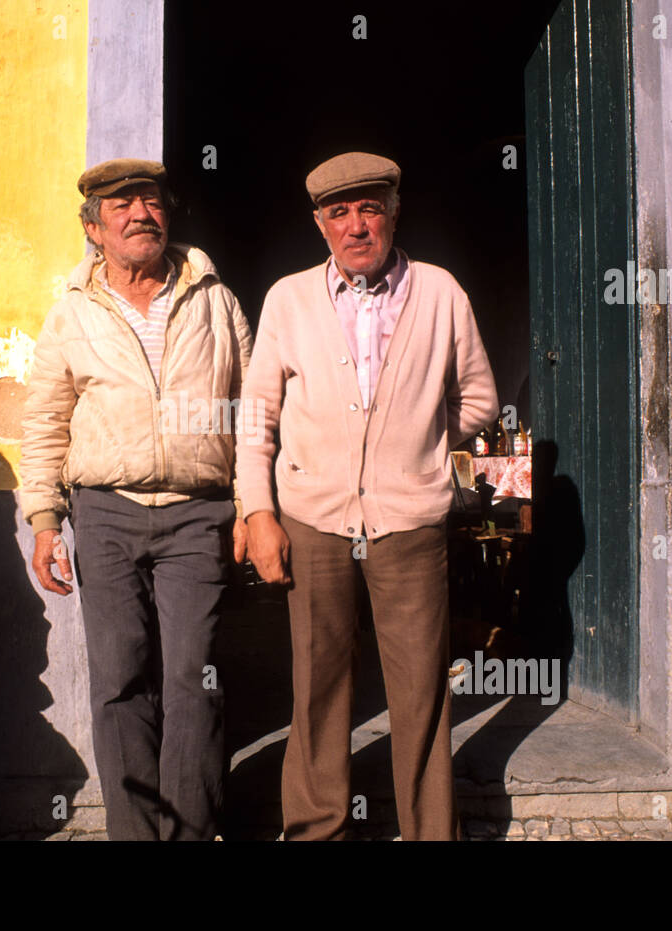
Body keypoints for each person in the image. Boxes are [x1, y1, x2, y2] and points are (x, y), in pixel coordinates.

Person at [237, 152, 499, 840]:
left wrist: (417, 439)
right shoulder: (288, 299)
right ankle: (318, 829)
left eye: (370, 208)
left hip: (408, 520)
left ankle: (429, 833)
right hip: (313, 516)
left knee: (421, 692)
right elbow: (256, 416)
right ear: (319, 223)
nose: (357, 226)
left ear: (393, 211)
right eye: (340, 212)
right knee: (318, 686)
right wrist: (257, 511)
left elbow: (477, 397)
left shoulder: (441, 292)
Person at [20, 158, 253, 840]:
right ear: (94, 228)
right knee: (119, 679)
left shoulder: (214, 297)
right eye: (121, 206)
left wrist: (253, 504)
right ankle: (135, 832)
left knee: (193, 676)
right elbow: (45, 420)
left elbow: (256, 406)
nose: (139, 215)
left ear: (168, 215)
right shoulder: (71, 312)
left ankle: (189, 830)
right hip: (106, 510)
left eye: (150, 201)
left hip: (198, 509)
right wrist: (43, 521)